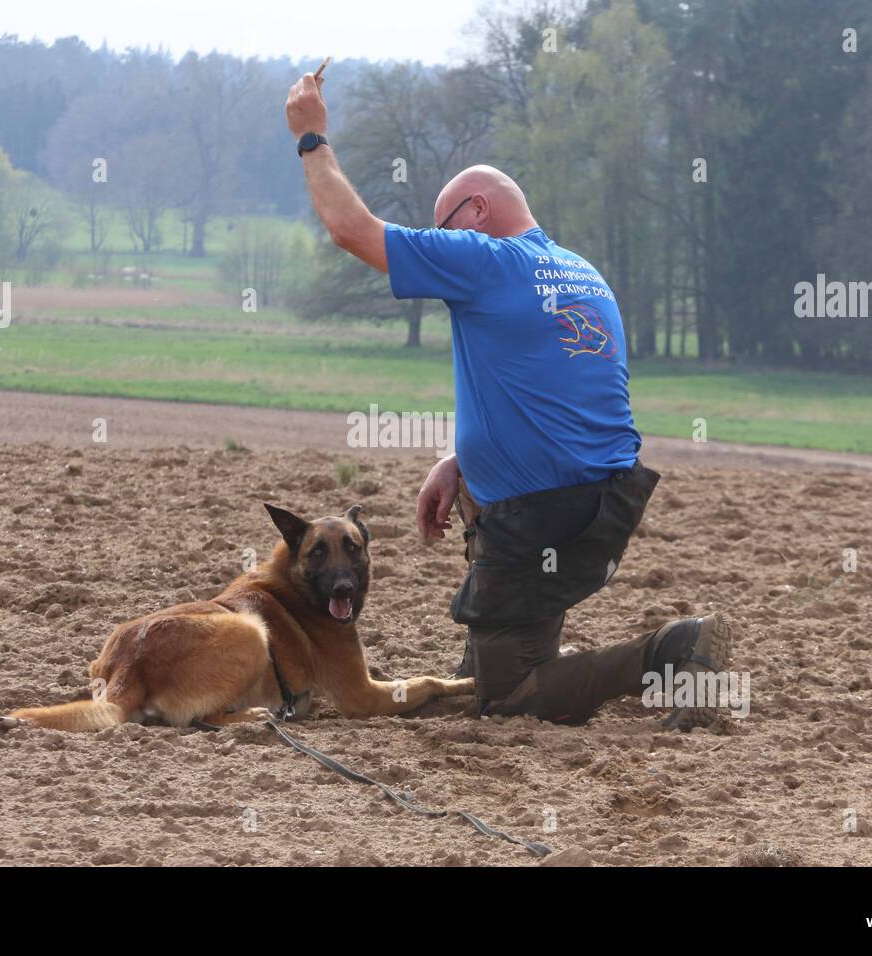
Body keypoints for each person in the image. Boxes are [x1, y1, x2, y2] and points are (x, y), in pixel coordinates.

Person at [285, 72, 731, 727]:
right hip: (607, 498)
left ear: (476, 213)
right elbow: (548, 388)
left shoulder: (484, 260)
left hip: (544, 510)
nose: (442, 243)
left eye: (445, 227)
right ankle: (494, 651)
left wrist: (310, 137)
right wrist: (459, 457)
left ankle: (671, 651)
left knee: (510, 699)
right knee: (497, 657)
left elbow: (351, 229)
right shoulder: (581, 271)